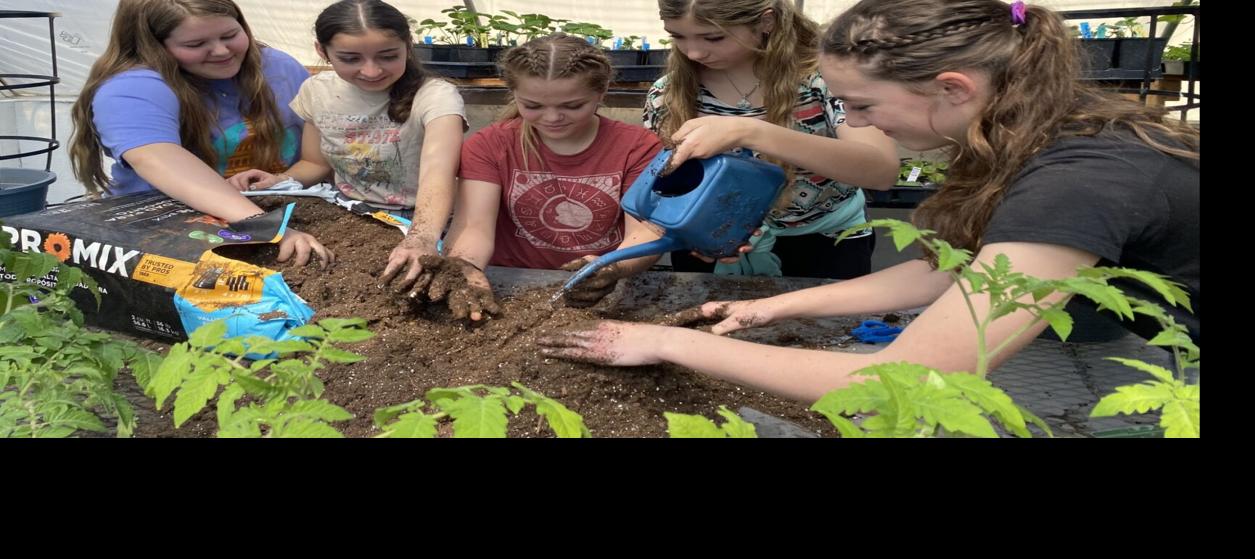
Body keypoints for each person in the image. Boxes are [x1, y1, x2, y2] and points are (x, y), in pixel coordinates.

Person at [538, 0, 1199, 404]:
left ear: (953, 88)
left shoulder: (1079, 179)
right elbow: (952, 267)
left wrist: (662, 343)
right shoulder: (1028, 134)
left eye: (860, 105)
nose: (856, 121)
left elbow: (910, 373)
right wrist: (781, 304)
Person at [642, 0, 899, 279]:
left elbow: (881, 170)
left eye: (713, 37)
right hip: (713, 247)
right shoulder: (668, 93)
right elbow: (664, 184)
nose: (693, 51)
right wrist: (696, 231)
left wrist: (752, 132)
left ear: (766, 21)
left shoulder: (824, 79)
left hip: (824, 244)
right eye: (677, 36)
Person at [69, 0, 332, 267]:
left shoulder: (278, 67)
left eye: (230, 35)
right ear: (154, 46)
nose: (221, 51)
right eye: (195, 45)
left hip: (272, 216)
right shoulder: (132, 89)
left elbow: (324, 148)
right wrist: (266, 227)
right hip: (162, 234)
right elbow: (160, 160)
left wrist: (283, 181)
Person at [228, 0, 465, 290]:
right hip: (351, 213)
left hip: (424, 219)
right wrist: (281, 179)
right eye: (351, 59)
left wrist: (422, 237)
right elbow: (315, 163)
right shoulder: (318, 91)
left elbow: (438, 171)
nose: (371, 70)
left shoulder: (436, 96)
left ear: (408, 45)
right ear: (321, 52)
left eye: (388, 56)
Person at [429, 35, 667, 319]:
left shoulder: (638, 147)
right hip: (513, 284)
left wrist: (611, 266)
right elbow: (473, 227)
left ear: (602, 91)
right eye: (533, 106)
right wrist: (467, 268)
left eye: (572, 106)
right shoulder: (490, 146)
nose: (552, 118)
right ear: (514, 92)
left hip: (606, 291)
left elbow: (645, 231)